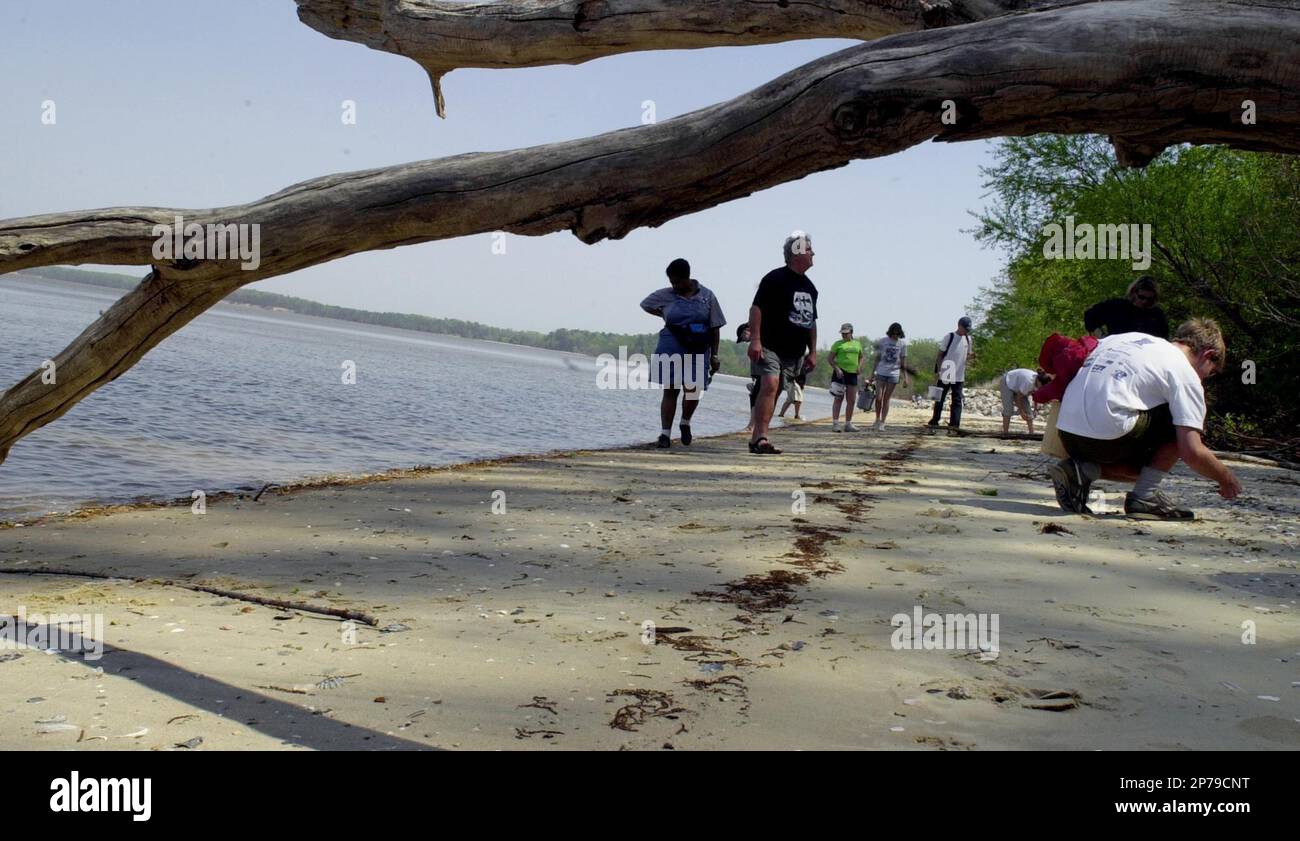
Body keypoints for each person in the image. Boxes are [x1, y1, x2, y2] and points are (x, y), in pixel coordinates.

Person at [1047, 319, 1242, 520]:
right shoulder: (1184, 371)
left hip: (1067, 433)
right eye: (1210, 373)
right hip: (1107, 437)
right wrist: (1225, 478)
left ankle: (1081, 470)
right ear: (1208, 355)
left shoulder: (1121, 338)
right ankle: (1145, 497)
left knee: (1145, 471)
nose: (1204, 379)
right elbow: (1191, 451)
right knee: (1184, 421)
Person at [640, 258, 725, 448]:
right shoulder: (666, 295)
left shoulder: (707, 296)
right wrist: (665, 314)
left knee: (693, 389)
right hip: (672, 344)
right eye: (672, 282)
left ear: (688, 277)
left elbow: (715, 326)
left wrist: (714, 355)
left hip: (699, 346)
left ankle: (685, 422)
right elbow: (645, 304)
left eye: (678, 282)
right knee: (670, 389)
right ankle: (665, 434)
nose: (675, 286)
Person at [747, 233, 818, 454]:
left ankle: (757, 436)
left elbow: (811, 321)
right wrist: (755, 340)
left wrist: (813, 351)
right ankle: (761, 438)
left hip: (794, 352)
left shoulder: (810, 287)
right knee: (769, 384)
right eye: (809, 249)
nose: (813, 253)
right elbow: (756, 309)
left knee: (775, 391)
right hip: (770, 345)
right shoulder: (774, 279)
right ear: (797, 252)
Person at [1084, 275, 1170, 339]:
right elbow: (1090, 316)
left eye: (1149, 299)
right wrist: (1103, 338)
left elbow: (1164, 339)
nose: (1144, 302)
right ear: (1134, 292)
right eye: (1141, 297)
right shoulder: (1117, 306)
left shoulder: (1157, 315)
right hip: (1118, 350)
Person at [928, 316, 974, 429]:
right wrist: (938, 371)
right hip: (946, 372)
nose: (966, 331)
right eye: (965, 329)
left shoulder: (968, 339)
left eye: (968, 329)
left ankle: (955, 423)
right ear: (959, 326)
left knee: (957, 400)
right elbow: (940, 355)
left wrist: (971, 357)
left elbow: (967, 355)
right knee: (940, 398)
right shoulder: (949, 337)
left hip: (959, 374)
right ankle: (935, 420)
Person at [870, 322, 909, 431]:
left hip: (894, 374)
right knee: (878, 397)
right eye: (893, 334)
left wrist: (905, 377)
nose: (895, 336)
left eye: (897, 334)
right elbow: (877, 358)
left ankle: (883, 422)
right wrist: (872, 373)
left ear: (900, 334)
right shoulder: (883, 341)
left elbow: (903, 362)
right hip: (881, 372)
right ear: (890, 332)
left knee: (886, 399)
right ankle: (877, 419)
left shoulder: (903, 344)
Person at [829, 323, 865, 432]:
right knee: (838, 398)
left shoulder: (857, 344)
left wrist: (859, 367)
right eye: (842, 333)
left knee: (852, 400)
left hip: (853, 374)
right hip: (840, 373)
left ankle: (848, 424)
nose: (844, 335)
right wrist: (837, 369)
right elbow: (830, 359)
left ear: (851, 332)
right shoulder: (837, 344)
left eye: (846, 333)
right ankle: (835, 424)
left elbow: (862, 357)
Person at [999, 368, 1040, 434]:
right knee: (1008, 409)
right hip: (1008, 382)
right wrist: (1021, 412)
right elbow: (1018, 397)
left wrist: (1035, 409)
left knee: (1028, 411)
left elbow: (1036, 396)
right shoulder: (1029, 382)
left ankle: (1031, 433)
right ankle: (1005, 433)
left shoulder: (1040, 382)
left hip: (1018, 387)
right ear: (1039, 382)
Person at [737, 323, 759, 433]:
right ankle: (753, 425)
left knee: (755, 397)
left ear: (747, 331)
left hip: (762, 374)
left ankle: (751, 426)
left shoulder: (760, 339)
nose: (744, 341)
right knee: (754, 396)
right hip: (758, 376)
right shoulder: (755, 342)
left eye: (742, 337)